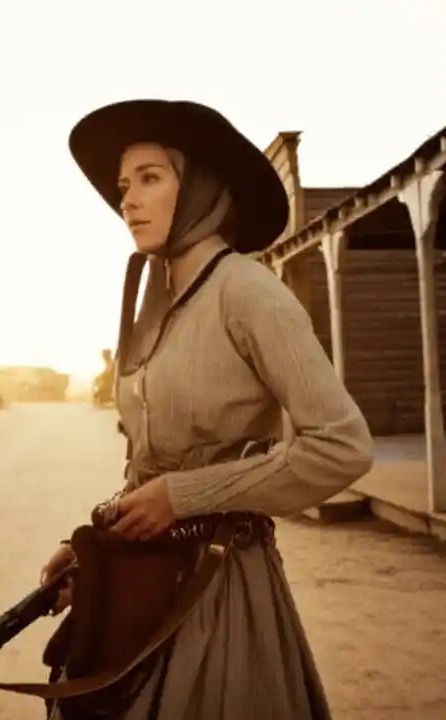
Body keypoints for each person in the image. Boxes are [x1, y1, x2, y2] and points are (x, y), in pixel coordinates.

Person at [38, 99, 374, 719]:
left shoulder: (248, 292)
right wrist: (92, 544)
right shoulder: (154, 309)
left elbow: (343, 445)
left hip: (219, 595)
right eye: (122, 186)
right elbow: (150, 464)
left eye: (150, 178)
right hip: (144, 581)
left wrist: (187, 496)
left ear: (200, 187)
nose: (127, 201)